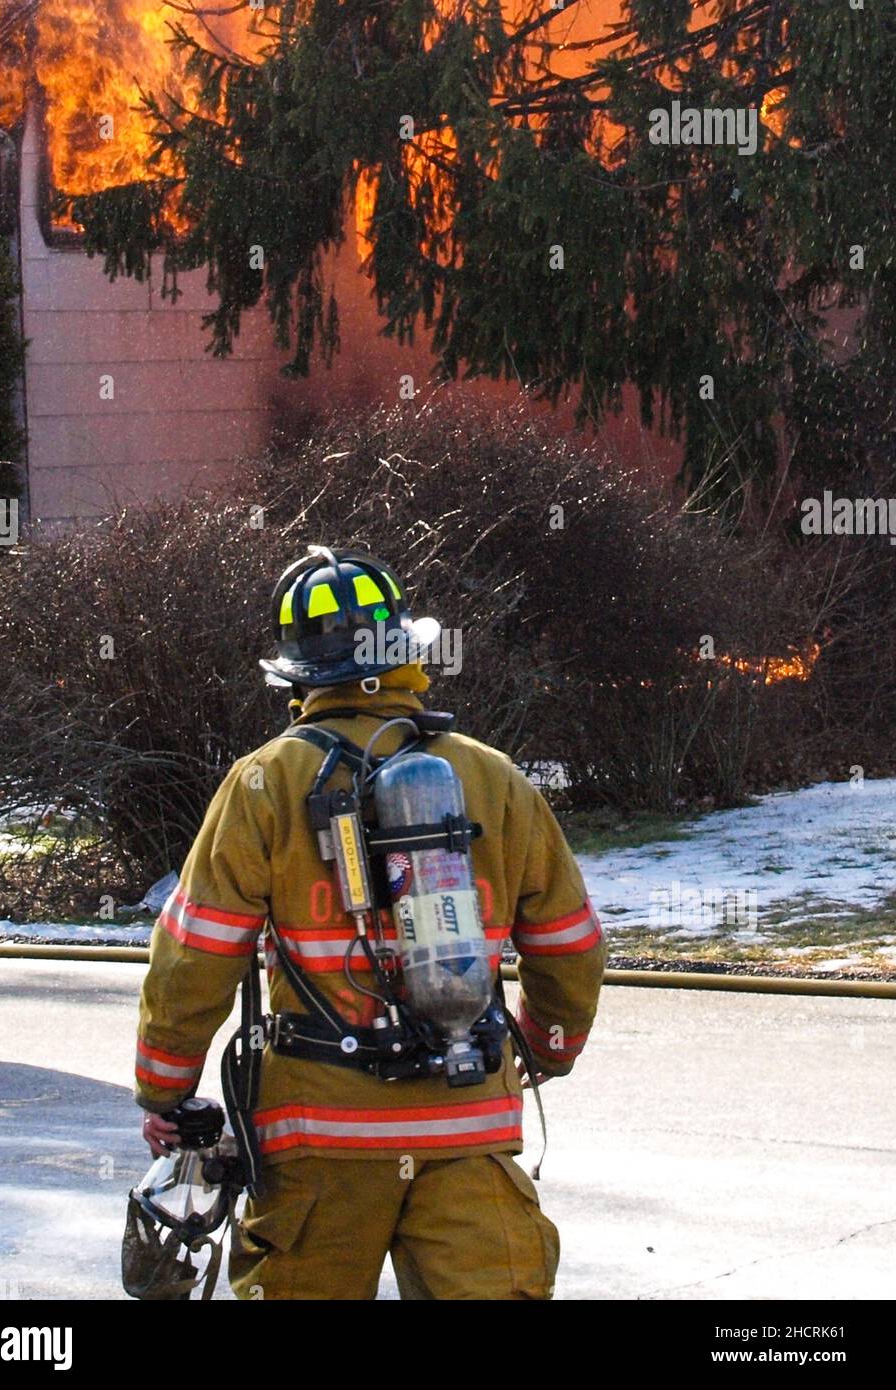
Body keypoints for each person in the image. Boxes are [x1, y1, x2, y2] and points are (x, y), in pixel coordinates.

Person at [134, 544, 605, 1300]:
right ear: (407, 655)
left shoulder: (263, 782)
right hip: (465, 1126)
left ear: (295, 673)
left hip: (318, 1141)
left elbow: (196, 954)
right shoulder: (492, 776)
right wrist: (547, 1048)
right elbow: (568, 945)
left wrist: (164, 1090)